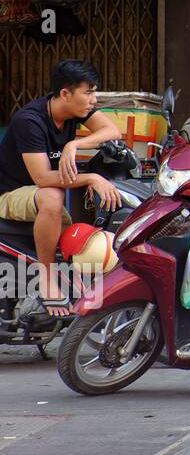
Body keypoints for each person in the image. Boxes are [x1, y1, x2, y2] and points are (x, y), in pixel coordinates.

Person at [0, 60, 123, 317]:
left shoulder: (76, 111)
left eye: (94, 91)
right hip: (9, 193)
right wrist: (90, 178)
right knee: (53, 196)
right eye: (88, 92)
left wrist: (74, 145)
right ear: (65, 93)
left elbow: (112, 130)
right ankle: (45, 279)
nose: (94, 99)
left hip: (36, 191)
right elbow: (43, 178)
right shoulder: (29, 120)